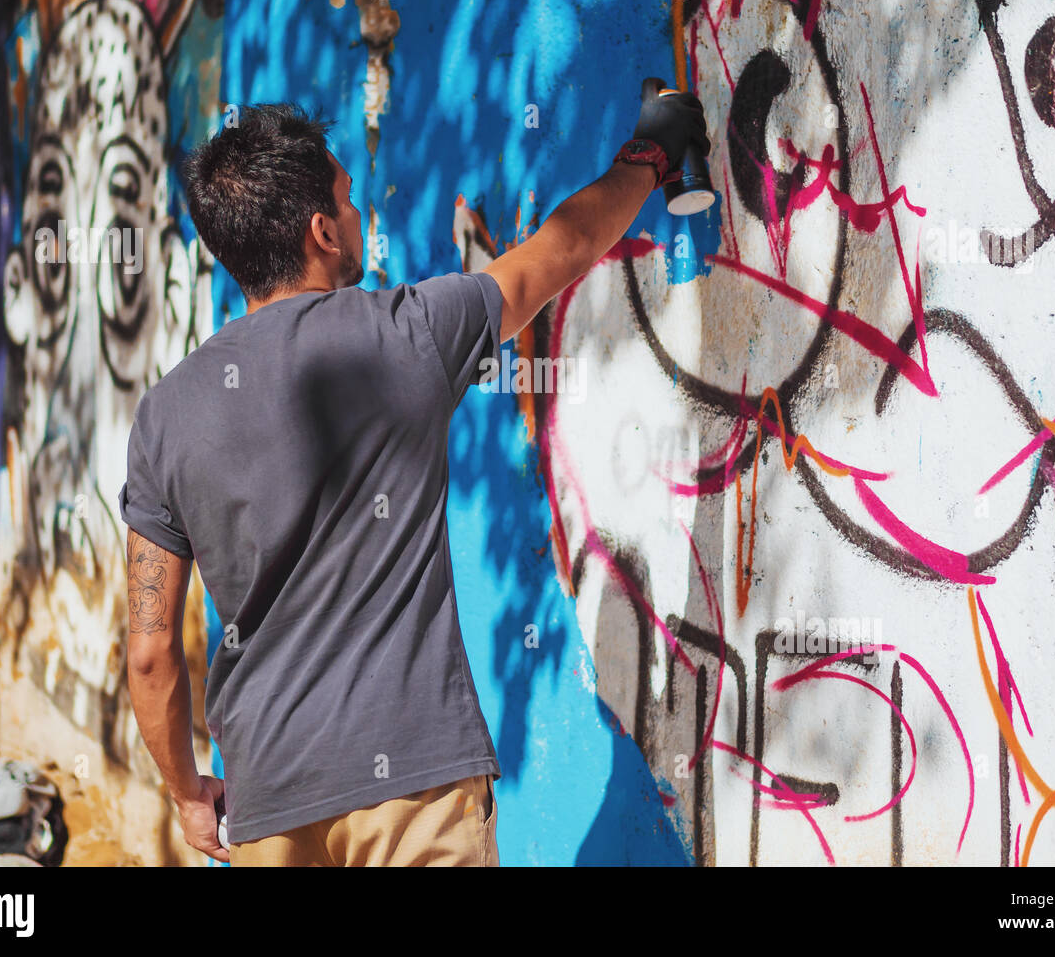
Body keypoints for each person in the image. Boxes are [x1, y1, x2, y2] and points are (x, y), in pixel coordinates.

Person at [120, 86, 710, 867]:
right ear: (321, 231)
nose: (360, 214)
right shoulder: (406, 333)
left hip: (268, 803)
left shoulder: (166, 415)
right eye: (348, 199)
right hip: (416, 793)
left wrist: (189, 791)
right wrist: (651, 153)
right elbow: (558, 253)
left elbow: (151, 651)